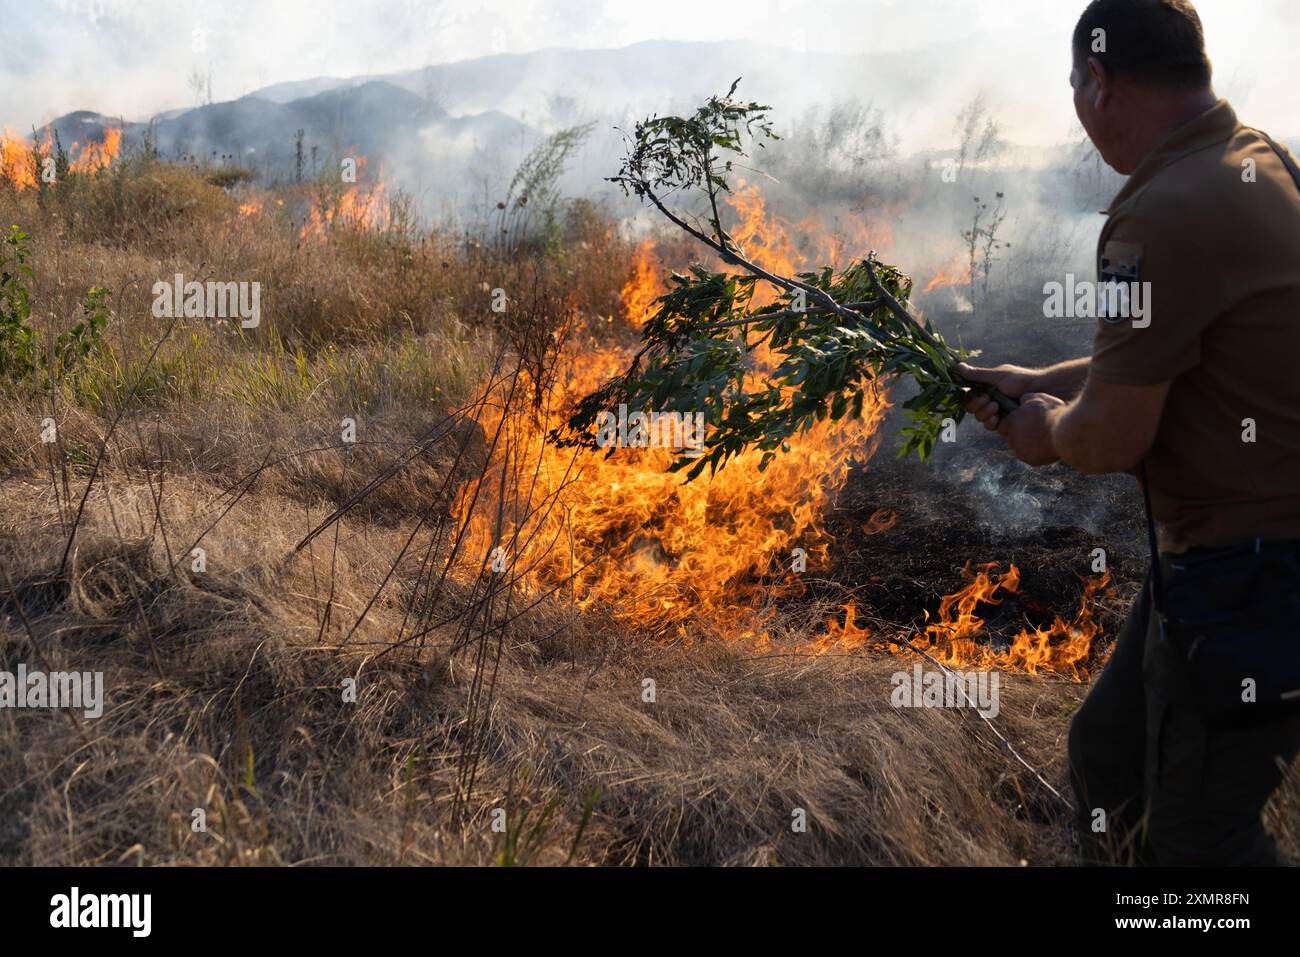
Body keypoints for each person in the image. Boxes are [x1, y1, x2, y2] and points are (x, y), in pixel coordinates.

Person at [962, 0, 1300, 865]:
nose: (1076, 107)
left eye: (1075, 83)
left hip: (1254, 575)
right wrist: (1039, 381)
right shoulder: (1255, 158)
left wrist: (1044, 432)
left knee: (1200, 843)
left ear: (1100, 81)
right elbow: (1163, 354)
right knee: (1109, 755)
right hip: (1225, 563)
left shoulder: (1149, 221)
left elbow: (1110, 435)